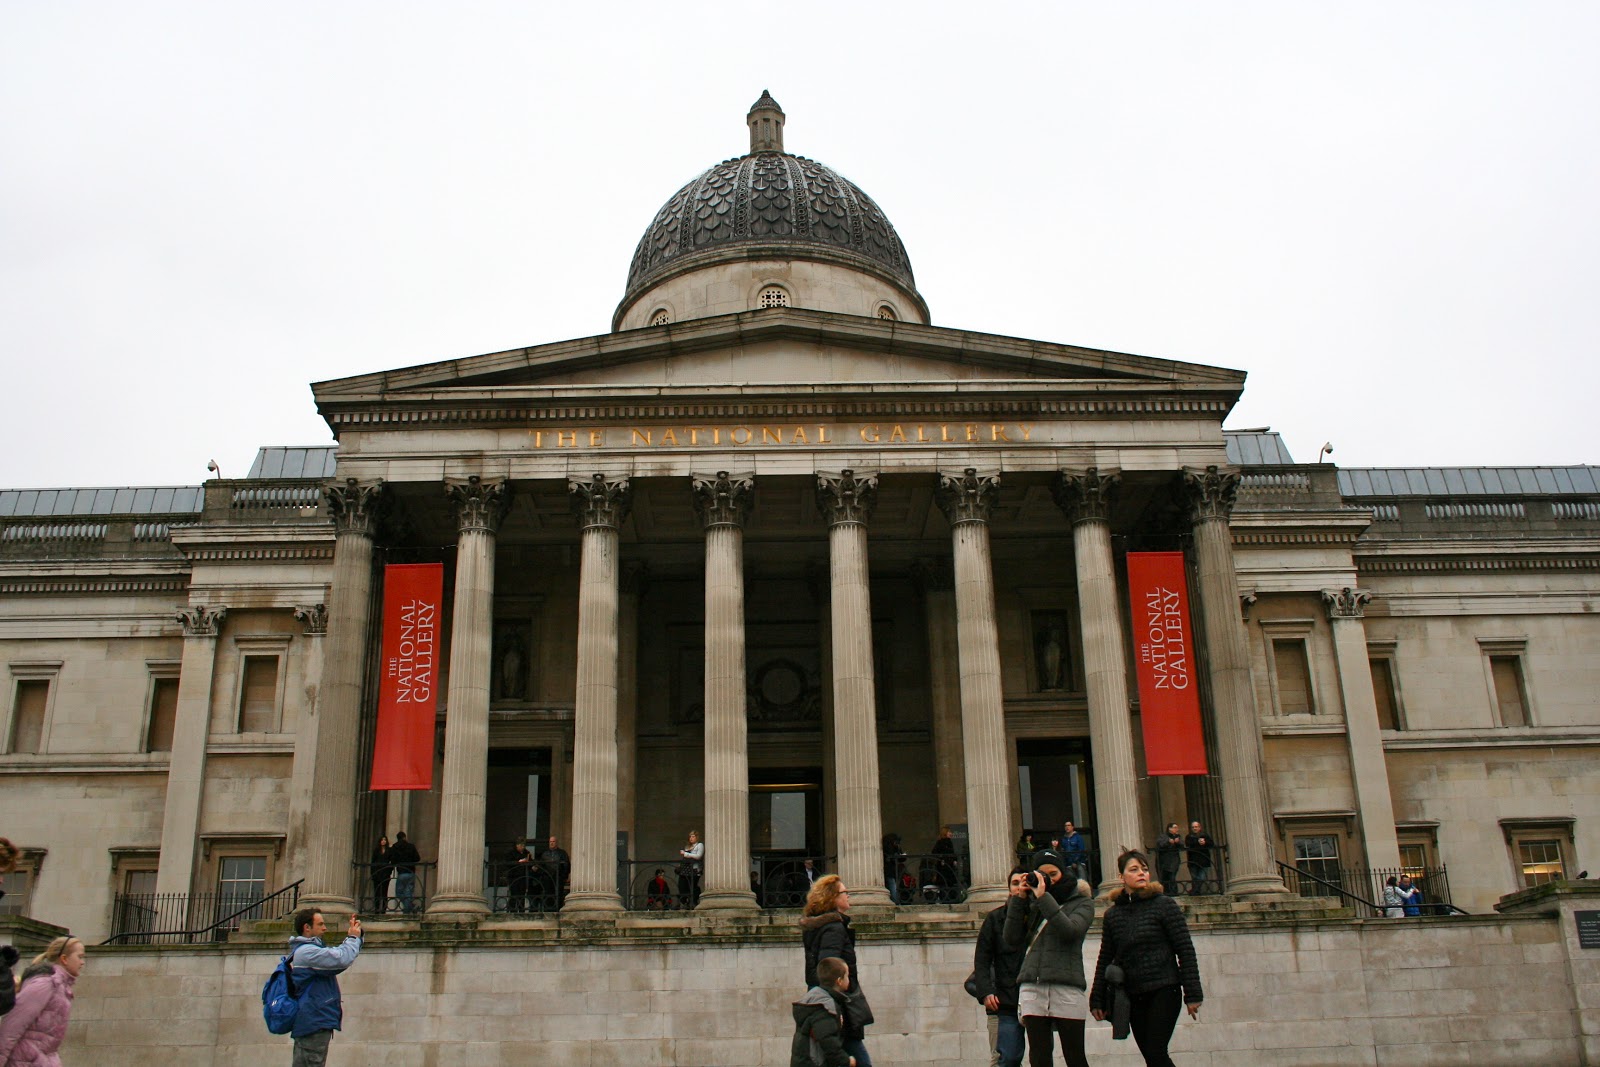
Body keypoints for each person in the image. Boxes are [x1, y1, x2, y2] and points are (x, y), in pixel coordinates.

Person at [1091, 850, 1202, 1067]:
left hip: (1165, 988)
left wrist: (1192, 993)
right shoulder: (1113, 915)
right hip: (1133, 994)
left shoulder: (1164, 905)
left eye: (1144, 869)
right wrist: (1097, 998)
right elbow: (1105, 958)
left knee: (1155, 1051)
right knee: (1151, 1057)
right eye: (1134, 869)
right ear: (1122, 877)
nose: (1141, 873)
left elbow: (1185, 949)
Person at [1003, 849, 1094, 1067]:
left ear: (1063, 872)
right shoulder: (1033, 901)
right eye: (1043, 874)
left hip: (1067, 984)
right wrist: (1019, 900)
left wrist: (1044, 897)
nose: (1048, 879)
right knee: (1040, 1055)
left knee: (1074, 1055)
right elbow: (1011, 939)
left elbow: (1070, 931)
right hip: (1033, 984)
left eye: (1053, 874)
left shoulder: (1082, 902)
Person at [801, 875, 873, 1067]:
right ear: (833, 898)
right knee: (861, 1061)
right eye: (844, 892)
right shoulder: (833, 929)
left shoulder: (825, 926)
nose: (849, 896)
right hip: (837, 1006)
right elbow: (829, 970)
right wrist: (837, 1004)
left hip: (833, 1004)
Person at [286, 909, 363, 1066]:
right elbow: (341, 959)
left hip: (313, 1021)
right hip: (313, 1022)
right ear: (307, 927)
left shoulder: (309, 950)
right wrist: (353, 938)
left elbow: (337, 954)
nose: (325, 928)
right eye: (320, 924)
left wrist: (354, 937)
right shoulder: (307, 952)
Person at [973, 867, 1031, 1067]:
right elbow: (982, 958)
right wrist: (986, 991)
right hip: (1005, 999)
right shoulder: (994, 918)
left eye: (1022, 883)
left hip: (1034, 995)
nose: (1019, 888)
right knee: (1008, 1057)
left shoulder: (1037, 916)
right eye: (1014, 884)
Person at [0, 935, 85, 1066]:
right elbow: (12, 1025)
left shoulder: (61, 987)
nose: (82, 962)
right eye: (80, 956)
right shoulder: (46, 983)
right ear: (64, 959)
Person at [789, 955, 856, 1067]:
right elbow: (827, 1040)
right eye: (847, 976)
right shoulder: (824, 1006)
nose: (849, 980)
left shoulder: (815, 999)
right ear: (839, 981)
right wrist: (846, 1060)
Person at [387, 832, 421, 913]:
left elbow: (393, 860)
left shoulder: (395, 847)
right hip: (410, 871)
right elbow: (417, 858)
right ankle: (409, 907)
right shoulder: (411, 846)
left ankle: (408, 908)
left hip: (401, 872)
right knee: (408, 892)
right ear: (404, 837)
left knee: (398, 892)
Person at [503, 838, 534, 913]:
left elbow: (531, 861)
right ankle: (512, 910)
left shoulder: (526, 853)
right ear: (517, 846)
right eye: (521, 845)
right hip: (513, 877)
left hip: (522, 877)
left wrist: (533, 865)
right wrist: (519, 861)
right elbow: (508, 863)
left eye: (524, 845)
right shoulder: (511, 853)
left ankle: (521, 910)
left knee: (522, 895)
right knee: (514, 894)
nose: (523, 847)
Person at [1183, 821, 1215, 895]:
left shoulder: (1205, 835)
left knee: (1201, 877)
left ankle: (1194, 891)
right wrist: (1198, 842)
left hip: (1203, 860)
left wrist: (1205, 842)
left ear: (1199, 827)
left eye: (1196, 827)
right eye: (1193, 827)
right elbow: (1188, 844)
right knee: (1194, 877)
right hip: (1193, 860)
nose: (1194, 828)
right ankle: (1196, 891)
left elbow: (1211, 844)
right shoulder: (1189, 836)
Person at [541, 836, 572, 906]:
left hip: (559, 878)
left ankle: (557, 908)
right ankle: (548, 909)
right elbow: (542, 866)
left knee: (558, 894)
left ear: (556, 843)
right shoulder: (545, 854)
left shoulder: (562, 853)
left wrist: (564, 876)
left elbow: (566, 865)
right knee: (548, 895)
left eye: (553, 842)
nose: (551, 843)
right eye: (550, 842)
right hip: (547, 879)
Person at [932, 826, 959, 901]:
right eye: (949, 832)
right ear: (945, 833)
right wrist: (942, 859)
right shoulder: (942, 842)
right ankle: (947, 898)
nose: (951, 833)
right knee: (945, 883)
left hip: (947, 866)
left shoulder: (947, 842)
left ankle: (947, 898)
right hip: (944, 867)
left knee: (946, 884)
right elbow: (935, 852)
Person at [1154, 824, 1184, 891]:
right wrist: (1168, 842)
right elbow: (1160, 844)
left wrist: (1178, 842)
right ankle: (1167, 892)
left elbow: (1182, 846)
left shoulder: (1178, 837)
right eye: (1175, 827)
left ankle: (1174, 892)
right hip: (1163, 861)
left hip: (1174, 860)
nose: (1177, 829)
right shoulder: (1163, 836)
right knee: (1164, 877)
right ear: (1170, 828)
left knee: (1172, 876)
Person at [678, 830, 703, 908]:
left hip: (694, 869)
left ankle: (693, 902)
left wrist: (685, 853)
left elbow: (698, 856)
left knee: (692, 886)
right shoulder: (687, 846)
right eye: (690, 836)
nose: (691, 838)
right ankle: (684, 901)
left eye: (693, 836)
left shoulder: (699, 845)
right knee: (682, 885)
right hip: (685, 869)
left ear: (697, 837)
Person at [368, 835, 391, 914]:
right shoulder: (376, 850)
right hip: (377, 874)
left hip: (385, 874)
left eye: (385, 839)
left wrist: (389, 871)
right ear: (380, 841)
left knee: (385, 893)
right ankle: (377, 909)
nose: (383, 841)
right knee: (377, 893)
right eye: (382, 840)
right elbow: (373, 862)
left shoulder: (389, 850)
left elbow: (391, 861)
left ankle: (384, 910)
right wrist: (373, 873)